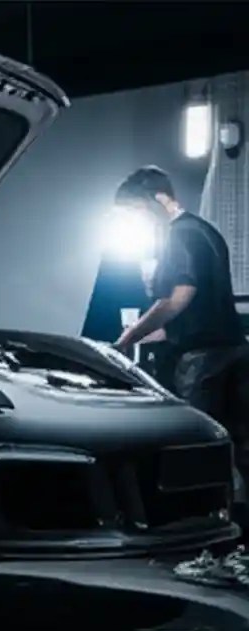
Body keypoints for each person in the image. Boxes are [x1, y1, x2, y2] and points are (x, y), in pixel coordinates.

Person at [112, 165, 249, 585]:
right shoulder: (207, 232)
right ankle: (240, 552)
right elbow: (195, 311)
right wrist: (150, 335)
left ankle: (209, 551)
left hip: (202, 363)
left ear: (157, 199)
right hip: (234, 351)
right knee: (238, 453)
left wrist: (127, 338)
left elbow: (180, 299)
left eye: (136, 211)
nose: (136, 221)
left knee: (198, 456)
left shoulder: (178, 235)